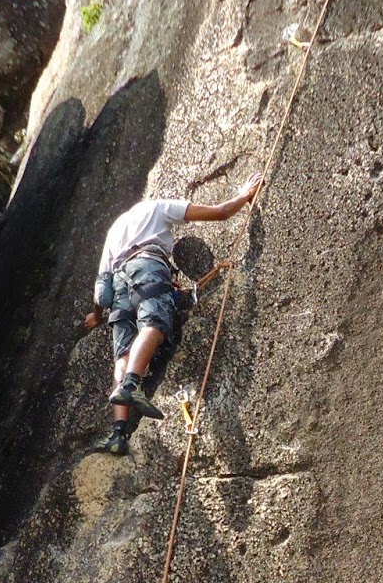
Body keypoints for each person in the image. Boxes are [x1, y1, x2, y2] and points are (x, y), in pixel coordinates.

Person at [83, 174, 263, 455]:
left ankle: (119, 433)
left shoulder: (115, 229)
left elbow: (101, 282)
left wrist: (96, 316)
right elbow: (220, 212)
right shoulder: (156, 207)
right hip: (147, 268)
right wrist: (243, 196)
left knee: (123, 353)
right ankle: (131, 383)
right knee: (155, 322)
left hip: (118, 285)